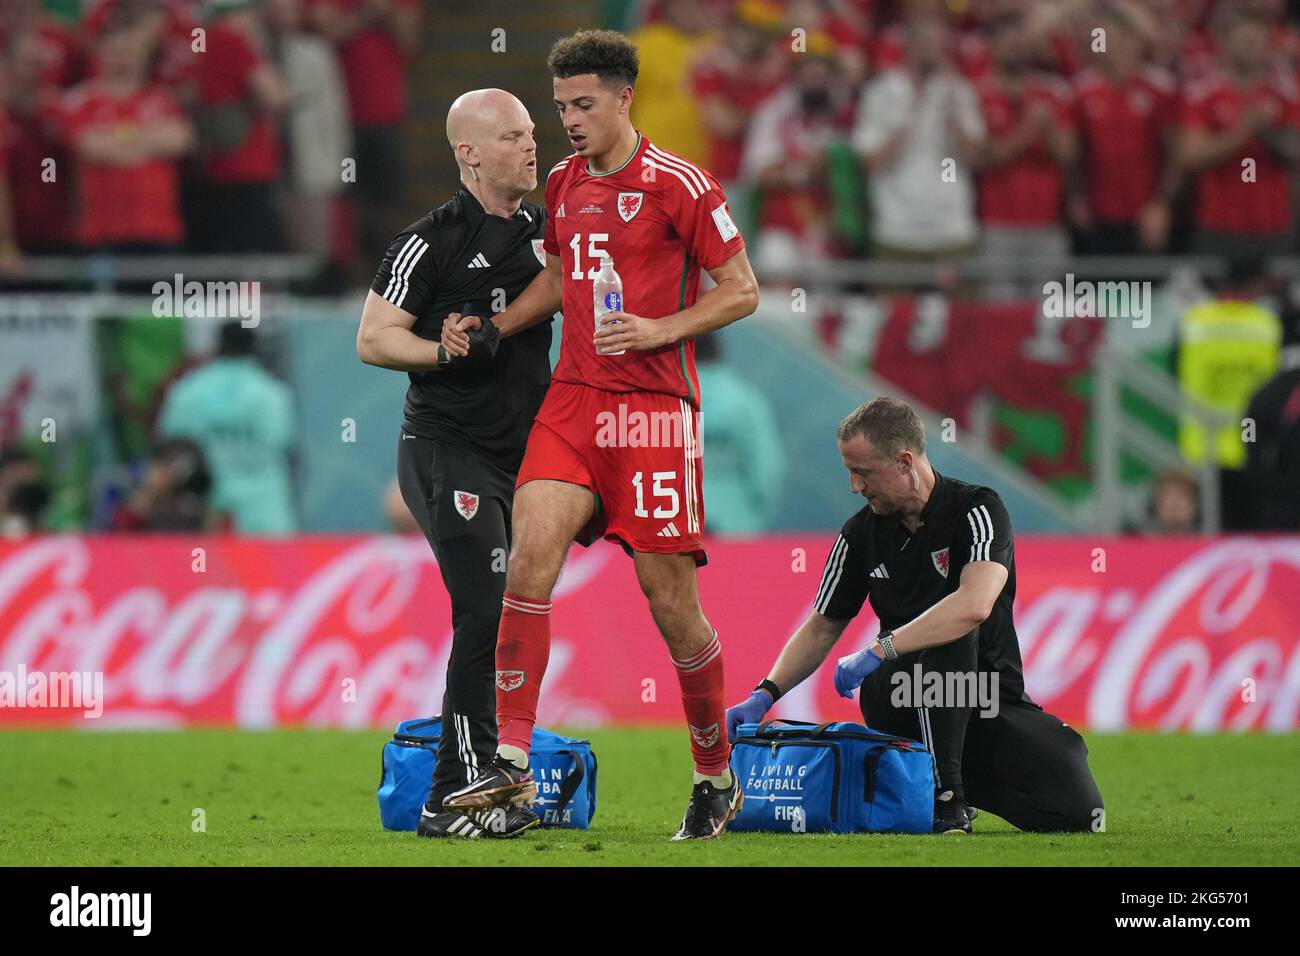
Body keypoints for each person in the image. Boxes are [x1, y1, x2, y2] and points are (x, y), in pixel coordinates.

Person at [439, 29, 759, 841]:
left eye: (582, 105)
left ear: (624, 98)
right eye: (559, 108)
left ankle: (715, 775)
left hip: (652, 414)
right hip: (575, 402)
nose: (569, 122)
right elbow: (558, 272)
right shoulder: (564, 183)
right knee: (528, 562)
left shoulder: (681, 184)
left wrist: (659, 330)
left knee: (670, 605)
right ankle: (511, 763)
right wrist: (499, 327)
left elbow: (742, 290)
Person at [726, 397, 1104, 834]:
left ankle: (925, 780)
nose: (853, 486)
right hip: (900, 693)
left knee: (1077, 811)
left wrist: (879, 648)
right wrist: (766, 693)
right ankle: (947, 800)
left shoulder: (978, 510)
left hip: (986, 697)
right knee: (946, 639)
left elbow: (974, 603)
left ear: (905, 462)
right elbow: (823, 625)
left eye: (863, 472)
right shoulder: (859, 535)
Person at [356, 88, 552, 840]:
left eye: (531, 134)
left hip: (523, 456)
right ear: (468, 152)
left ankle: (494, 777)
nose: (529, 147)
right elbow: (374, 338)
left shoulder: (545, 229)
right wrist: (441, 349)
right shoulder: (429, 240)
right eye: (509, 137)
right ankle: (452, 796)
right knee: (487, 607)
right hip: (447, 448)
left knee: (512, 610)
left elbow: (565, 282)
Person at [157, 322, 296, 534]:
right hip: (264, 516)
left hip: (205, 516)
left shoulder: (188, 391)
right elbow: (284, 442)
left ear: (218, 346)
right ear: (254, 349)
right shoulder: (273, 394)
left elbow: (168, 447)